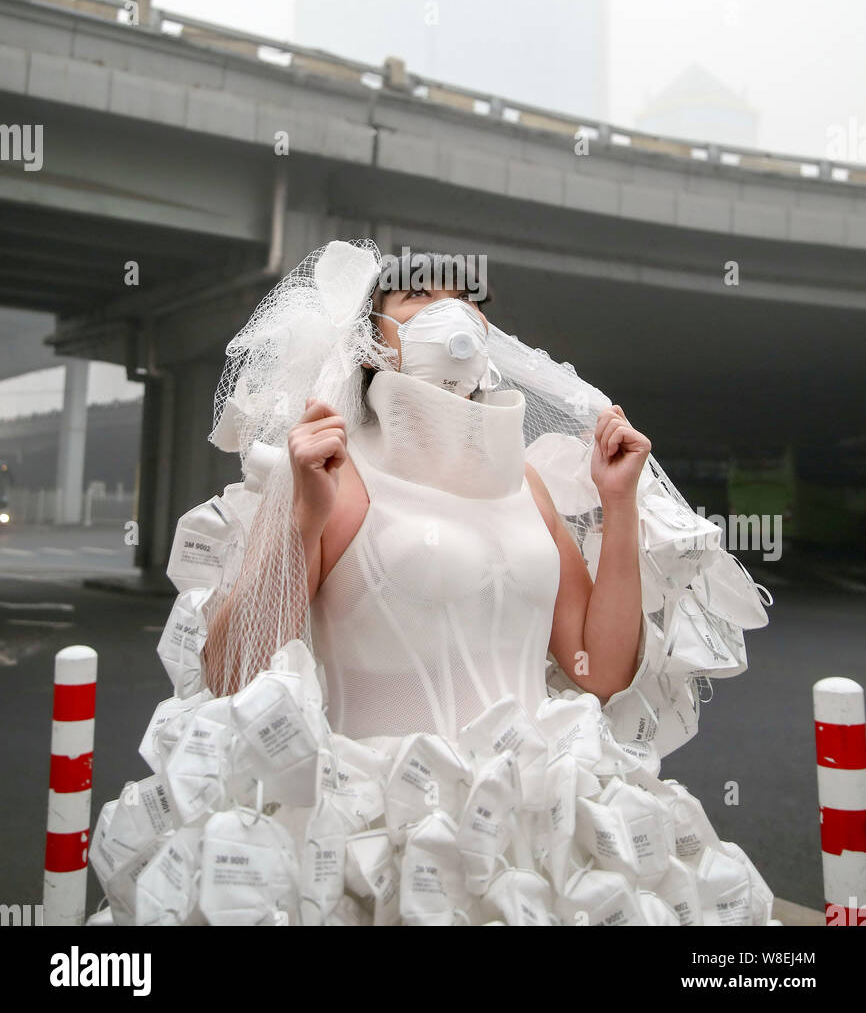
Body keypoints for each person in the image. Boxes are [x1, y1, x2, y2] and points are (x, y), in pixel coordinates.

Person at [87, 240, 778, 927]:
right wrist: (301, 520)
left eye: (467, 301)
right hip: (376, 845)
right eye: (420, 296)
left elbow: (596, 674)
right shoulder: (330, 472)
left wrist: (619, 506)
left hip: (541, 834)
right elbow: (231, 675)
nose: (452, 313)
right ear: (370, 342)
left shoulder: (527, 481)